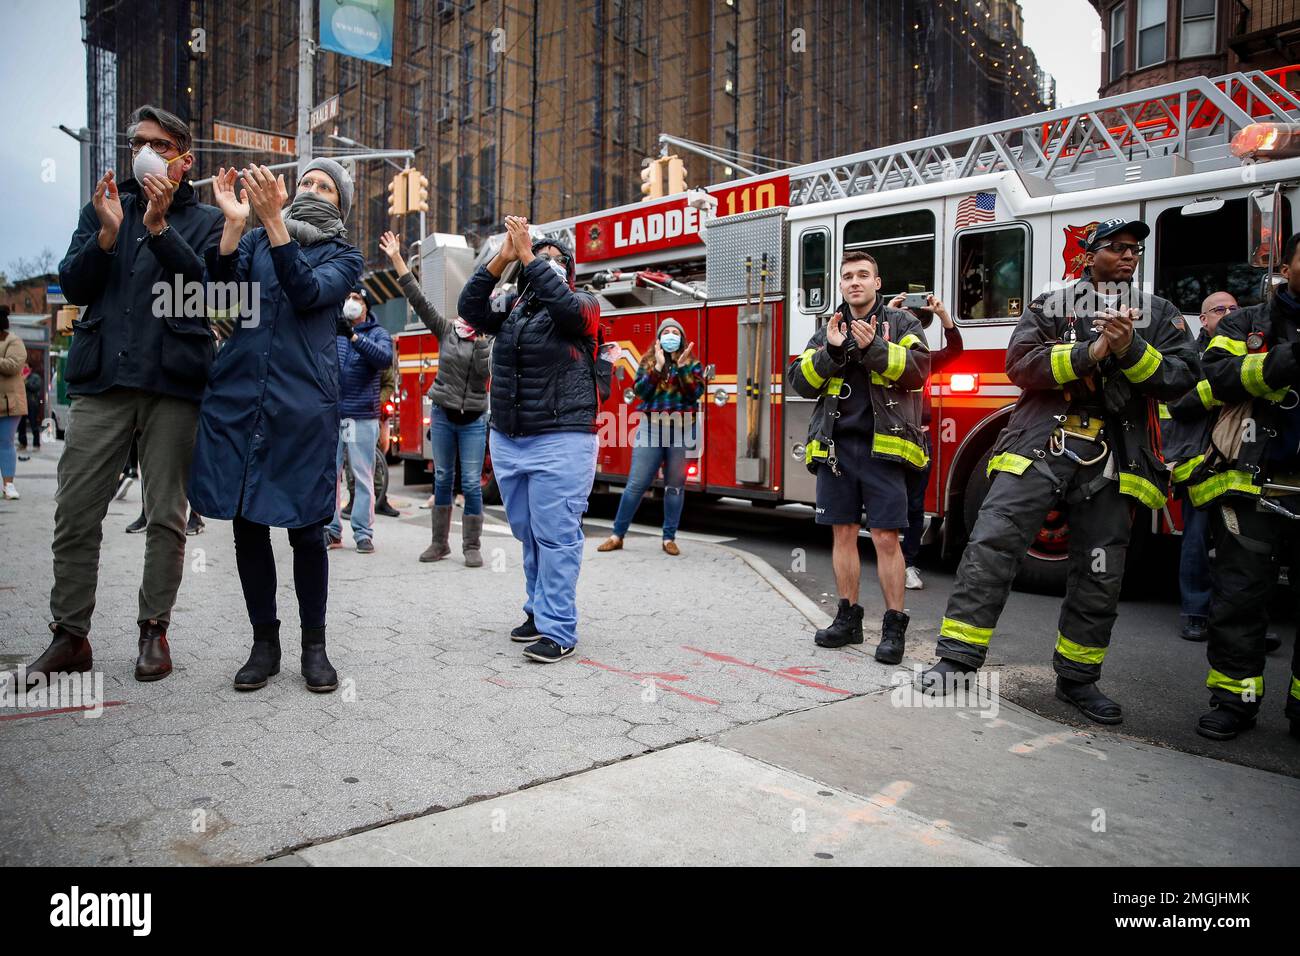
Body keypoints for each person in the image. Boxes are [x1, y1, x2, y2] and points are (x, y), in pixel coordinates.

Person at [919, 219, 1198, 724]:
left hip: (1115, 460)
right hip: (1040, 447)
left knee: (1100, 569)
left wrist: (1131, 348)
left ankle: (1077, 681)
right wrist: (1090, 353)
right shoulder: (1052, 305)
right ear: (1089, 256)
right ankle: (956, 660)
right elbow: (1020, 364)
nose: (1129, 255)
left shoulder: (1158, 314)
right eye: (1116, 248)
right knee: (992, 545)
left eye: (1135, 249)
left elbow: (1182, 378)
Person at [16, 105, 222, 686]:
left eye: (157, 143)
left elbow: (207, 291)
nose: (144, 152)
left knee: (166, 518)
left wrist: (159, 228)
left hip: (173, 384)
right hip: (103, 380)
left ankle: (154, 629)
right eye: (137, 142)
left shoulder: (206, 220)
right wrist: (106, 235)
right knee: (76, 509)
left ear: (186, 157)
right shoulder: (105, 206)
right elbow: (73, 285)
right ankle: (70, 635)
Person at [188, 159, 363, 693]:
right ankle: (264, 643)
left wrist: (276, 226)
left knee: (308, 530)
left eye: (324, 187)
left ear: (341, 205)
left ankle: (315, 646)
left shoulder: (345, 256)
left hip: (303, 406)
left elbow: (309, 292)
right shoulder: (257, 240)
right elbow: (220, 297)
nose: (312, 189)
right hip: (244, 398)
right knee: (248, 524)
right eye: (307, 181)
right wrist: (238, 223)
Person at [458, 216, 601, 663]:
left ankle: (559, 629)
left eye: (559, 261)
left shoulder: (585, 305)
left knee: (556, 535)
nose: (549, 265)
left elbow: (566, 307)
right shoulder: (515, 309)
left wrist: (527, 256)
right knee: (528, 531)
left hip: (563, 439)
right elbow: (470, 309)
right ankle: (538, 612)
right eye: (542, 258)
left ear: (570, 271)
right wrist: (502, 257)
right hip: (508, 438)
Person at [1181, 233, 1300, 741]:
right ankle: (1235, 701)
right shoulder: (1247, 323)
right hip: (1257, 486)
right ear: (1287, 266)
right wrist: (1284, 360)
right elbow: (1216, 377)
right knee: (1240, 598)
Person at [787, 250, 930, 664]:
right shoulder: (828, 327)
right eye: (848, 276)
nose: (854, 282)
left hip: (884, 449)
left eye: (863, 275)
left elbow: (919, 370)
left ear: (877, 283)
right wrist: (831, 352)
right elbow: (800, 382)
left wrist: (875, 348)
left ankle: (893, 626)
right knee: (843, 533)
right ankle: (847, 620)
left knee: (886, 538)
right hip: (836, 449)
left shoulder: (903, 323)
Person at [381, 230, 493, 567]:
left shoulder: (486, 341)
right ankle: (438, 543)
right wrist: (398, 259)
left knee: (471, 484)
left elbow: (484, 375)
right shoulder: (446, 329)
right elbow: (418, 299)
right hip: (444, 415)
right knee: (443, 477)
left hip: (473, 417)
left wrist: (484, 342)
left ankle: (471, 546)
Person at [1164, 291, 1237, 642]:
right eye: (1219, 309)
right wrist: (1224, 386)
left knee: (1241, 548)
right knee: (1196, 539)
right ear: (1203, 321)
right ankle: (1196, 613)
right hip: (1200, 462)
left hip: (1242, 463)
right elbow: (1177, 402)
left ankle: (1235, 620)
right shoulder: (1190, 356)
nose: (1228, 313)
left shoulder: (1250, 351)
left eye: (1235, 308)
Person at [597, 319, 704, 555]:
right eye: (666, 332)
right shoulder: (647, 361)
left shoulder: (693, 364)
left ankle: (669, 539)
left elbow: (694, 393)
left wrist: (684, 368)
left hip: (682, 429)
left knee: (675, 487)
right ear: (658, 338)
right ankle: (617, 535)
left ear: (682, 338)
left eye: (675, 332)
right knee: (636, 484)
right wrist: (658, 368)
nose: (671, 335)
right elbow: (640, 392)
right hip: (651, 429)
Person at [885, 293, 963, 590]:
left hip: (921, 439)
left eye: (916, 323)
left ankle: (909, 565)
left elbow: (955, 349)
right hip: (890, 439)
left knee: (915, 506)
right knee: (889, 503)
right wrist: (888, 312)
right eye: (906, 322)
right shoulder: (886, 354)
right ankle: (888, 562)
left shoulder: (926, 361)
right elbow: (877, 344)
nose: (912, 328)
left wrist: (944, 316)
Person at [325, 286, 392, 554]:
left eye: (357, 299)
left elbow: (384, 359)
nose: (351, 302)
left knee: (363, 476)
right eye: (349, 298)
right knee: (331, 476)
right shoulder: (335, 333)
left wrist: (354, 337)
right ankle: (332, 530)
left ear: (367, 307)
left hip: (362, 416)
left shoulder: (378, 334)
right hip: (334, 415)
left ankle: (363, 533)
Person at [0, 307, 27, 499]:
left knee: (6, 442)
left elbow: (13, 365)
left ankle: (8, 484)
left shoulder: (13, 341)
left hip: (9, 403)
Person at [16, 361, 43, 455]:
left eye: (26, 367)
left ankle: (36, 444)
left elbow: (35, 387)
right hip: (21, 403)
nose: (24, 368)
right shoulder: (19, 377)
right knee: (21, 425)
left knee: (33, 424)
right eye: (22, 367)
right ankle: (22, 443)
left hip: (32, 404)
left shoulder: (35, 377)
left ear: (30, 368)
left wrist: (26, 381)